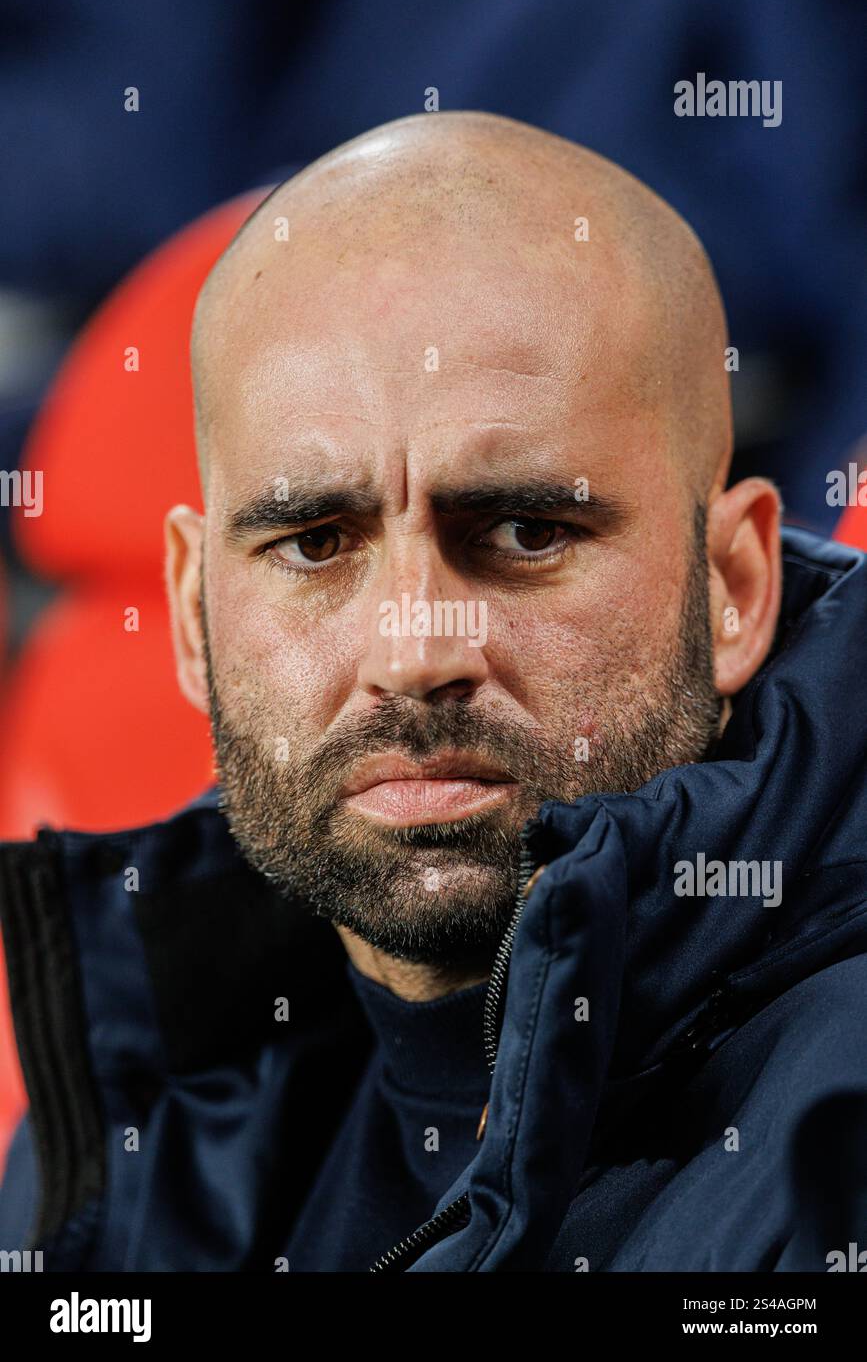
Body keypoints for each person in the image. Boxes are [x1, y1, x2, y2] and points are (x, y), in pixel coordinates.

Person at [1, 112, 865, 1272]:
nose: (414, 650)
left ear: (733, 587)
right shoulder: (132, 1094)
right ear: (194, 612)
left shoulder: (835, 1161)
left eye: (522, 529)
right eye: (314, 542)